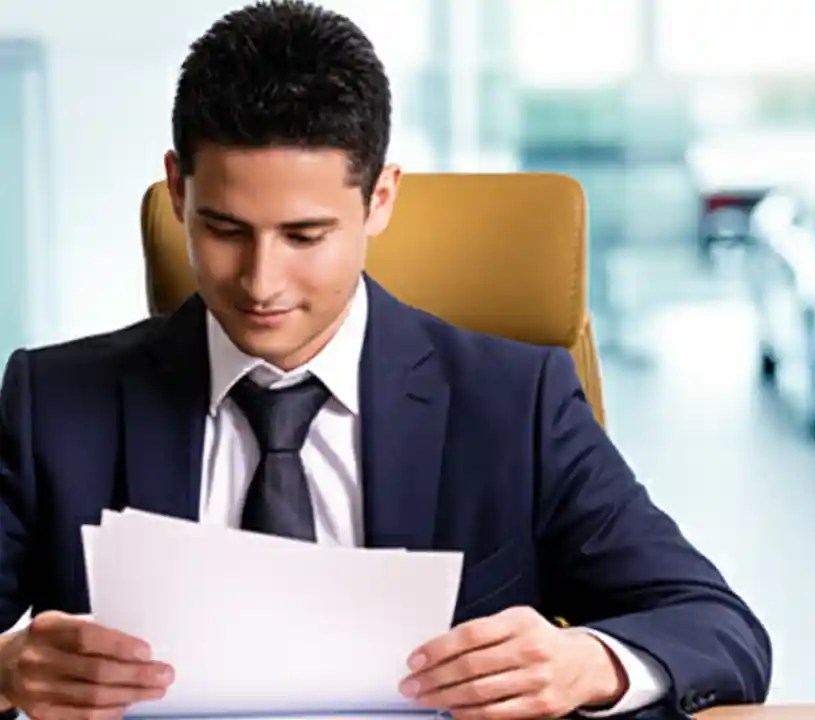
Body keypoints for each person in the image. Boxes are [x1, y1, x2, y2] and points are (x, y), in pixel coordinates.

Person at [0, 2, 772, 719]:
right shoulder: (54, 402)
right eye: (225, 230)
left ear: (380, 201)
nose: (261, 282)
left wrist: (584, 663)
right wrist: (6, 668)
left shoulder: (513, 403)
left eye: (305, 236)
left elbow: (717, 627)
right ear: (176, 190)